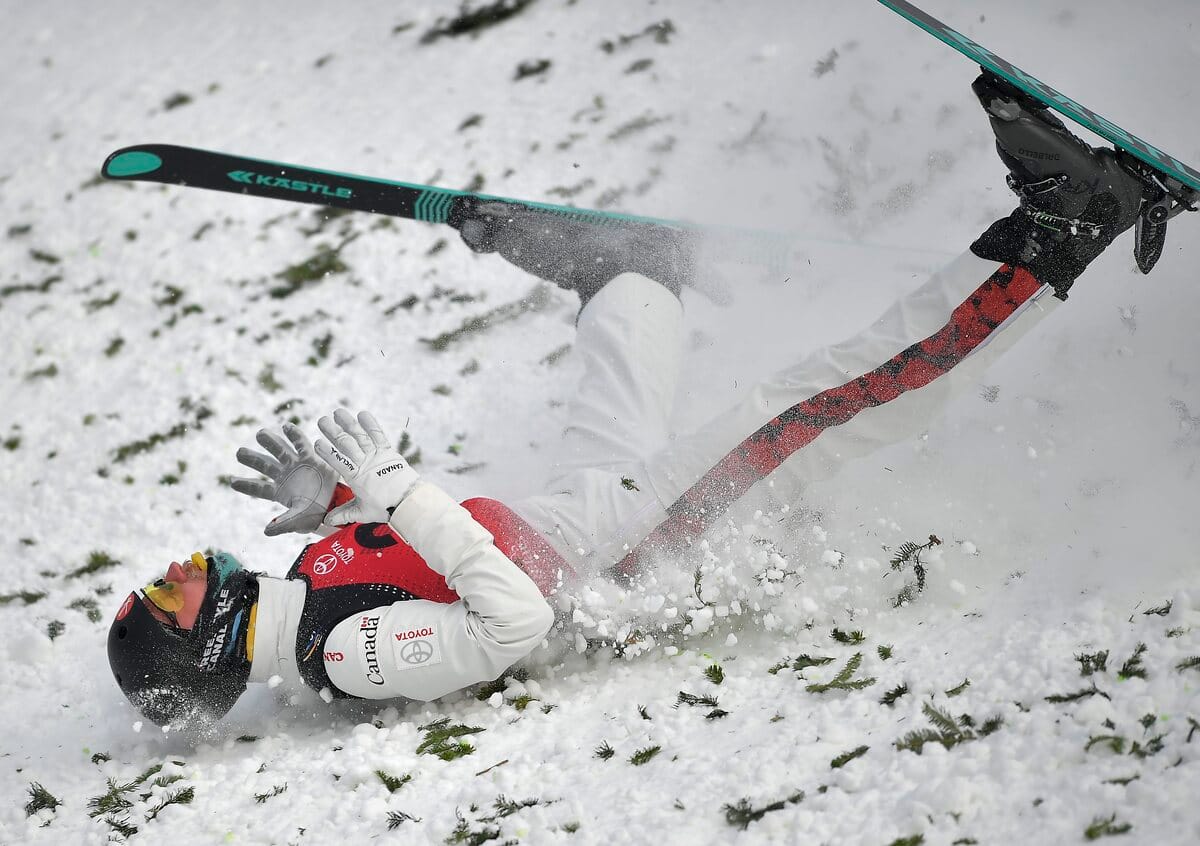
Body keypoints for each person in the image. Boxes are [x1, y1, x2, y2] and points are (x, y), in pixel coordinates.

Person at [108, 72, 1156, 728]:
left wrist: (343, 501)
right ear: (200, 650)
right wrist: (393, 488)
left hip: (577, 518)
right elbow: (510, 622)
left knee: (616, 360)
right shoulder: (342, 656)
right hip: (637, 556)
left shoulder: (310, 593)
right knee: (819, 400)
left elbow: (419, 563)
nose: (174, 573)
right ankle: (1065, 231)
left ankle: (634, 271)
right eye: (164, 601)